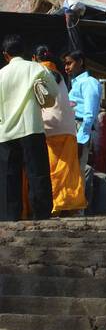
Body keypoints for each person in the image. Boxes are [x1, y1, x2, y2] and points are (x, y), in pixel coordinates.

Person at [0, 34, 57, 221]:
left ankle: (11, 216)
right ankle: (41, 214)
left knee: (10, 176)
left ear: (5, 55)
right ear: (23, 51)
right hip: (31, 127)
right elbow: (53, 94)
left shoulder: (1, 74)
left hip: (6, 132)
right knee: (37, 172)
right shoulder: (36, 68)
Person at [33, 46, 86, 215]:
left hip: (49, 126)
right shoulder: (59, 76)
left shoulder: (38, 73)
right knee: (68, 169)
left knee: (52, 168)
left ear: (34, 58)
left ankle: (56, 205)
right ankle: (69, 205)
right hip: (68, 127)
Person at [64, 51, 104, 210]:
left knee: (79, 170)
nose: (66, 67)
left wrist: (82, 138)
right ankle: (73, 206)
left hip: (80, 128)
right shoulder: (75, 84)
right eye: (65, 64)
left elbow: (90, 113)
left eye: (69, 63)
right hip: (72, 127)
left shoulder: (89, 82)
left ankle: (78, 209)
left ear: (80, 62)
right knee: (72, 170)